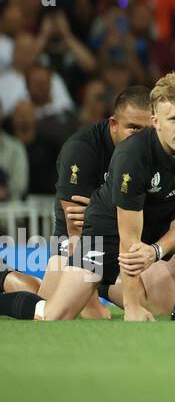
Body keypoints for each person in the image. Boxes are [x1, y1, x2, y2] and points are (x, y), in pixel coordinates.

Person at [39, 73, 175, 322]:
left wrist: (158, 250)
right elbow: (129, 238)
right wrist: (132, 305)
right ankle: (14, 285)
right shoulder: (131, 156)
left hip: (157, 225)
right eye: (173, 119)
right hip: (106, 229)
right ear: (156, 121)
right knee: (56, 315)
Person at [38, 86, 154, 319]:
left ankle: (101, 284)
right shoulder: (81, 149)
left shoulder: (156, 149)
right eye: (133, 128)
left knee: (151, 302)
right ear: (114, 124)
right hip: (74, 242)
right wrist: (87, 299)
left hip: (118, 237)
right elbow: (75, 226)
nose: (141, 137)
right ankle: (8, 281)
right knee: (50, 306)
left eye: (148, 130)